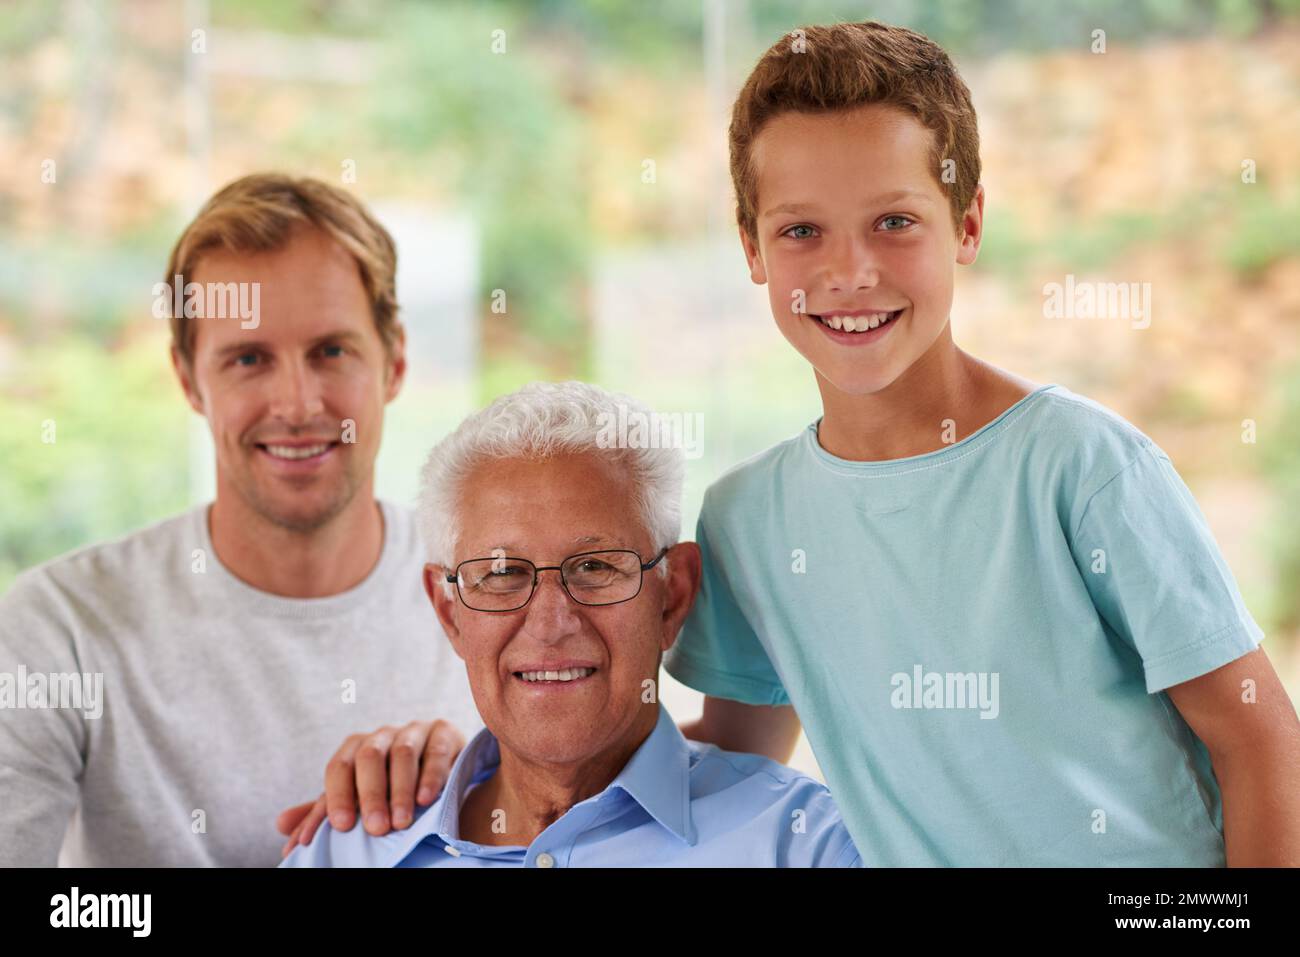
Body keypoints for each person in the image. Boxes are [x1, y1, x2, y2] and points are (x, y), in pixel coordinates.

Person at [281, 23, 1300, 867]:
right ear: (750, 247)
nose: (851, 273)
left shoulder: (1079, 468)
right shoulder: (751, 519)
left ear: (969, 224)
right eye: (803, 232)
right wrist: (454, 770)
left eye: (894, 222)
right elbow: (708, 770)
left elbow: (1259, 741)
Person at [0, 173, 481, 866]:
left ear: (395, 360)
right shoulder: (62, 627)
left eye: (331, 350)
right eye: (249, 358)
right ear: (190, 379)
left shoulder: (499, 601)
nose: (296, 403)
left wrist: (480, 790)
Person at [283, 381, 859, 867]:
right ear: (449, 611)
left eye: (595, 567)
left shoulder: (807, 845)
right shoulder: (343, 849)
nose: (551, 623)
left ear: (673, 595)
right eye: (502, 573)